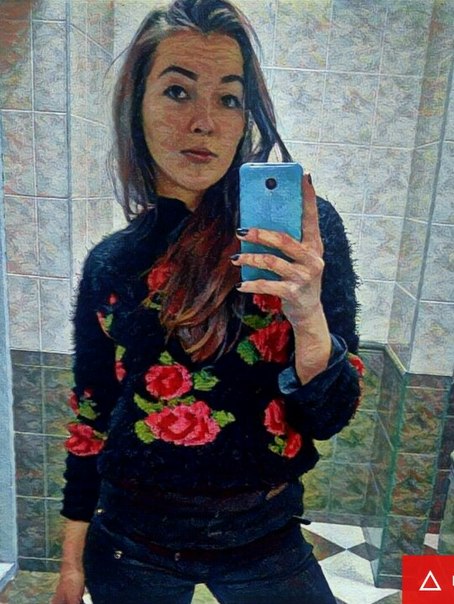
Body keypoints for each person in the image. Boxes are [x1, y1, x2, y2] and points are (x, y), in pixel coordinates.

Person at [52, 1, 364, 603]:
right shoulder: (111, 264)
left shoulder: (301, 236)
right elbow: (91, 419)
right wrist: (70, 565)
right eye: (177, 91)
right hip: (130, 543)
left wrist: (307, 314)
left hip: (264, 536)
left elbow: (330, 416)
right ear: (136, 106)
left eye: (228, 98)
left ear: (246, 118)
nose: (204, 122)